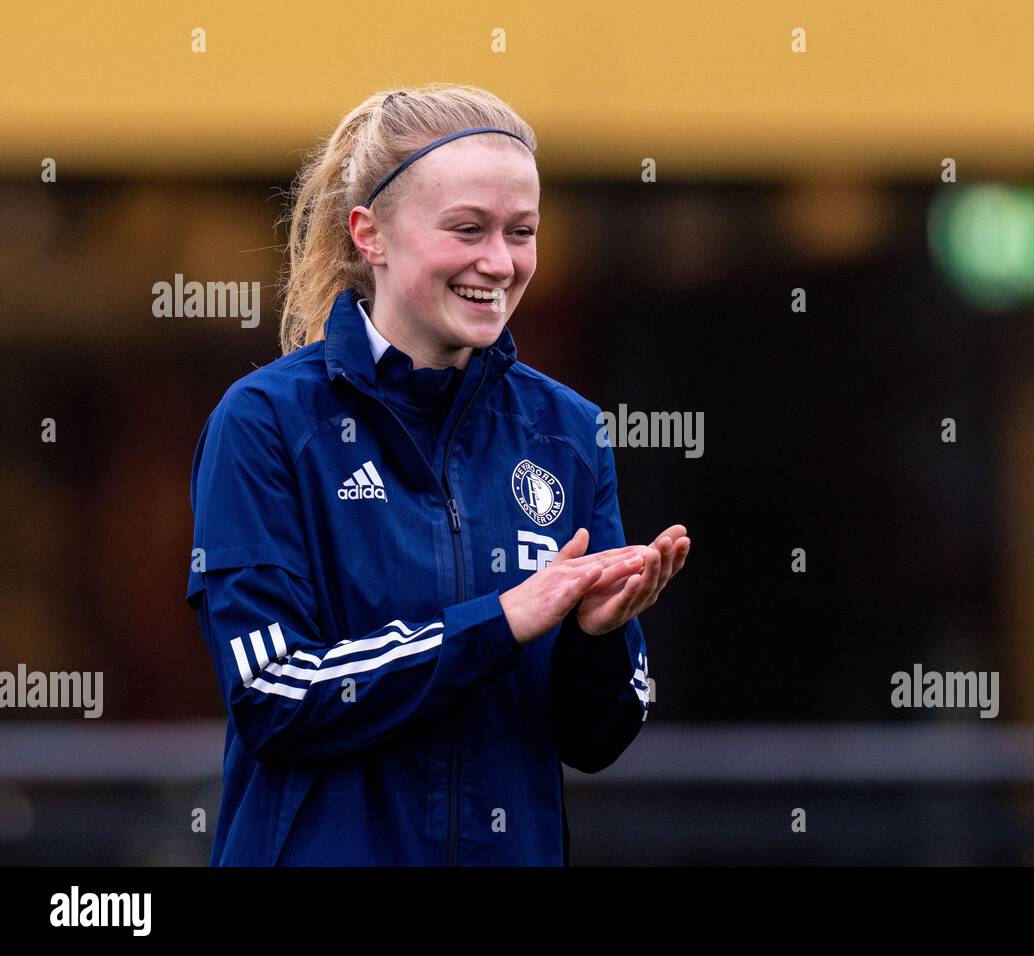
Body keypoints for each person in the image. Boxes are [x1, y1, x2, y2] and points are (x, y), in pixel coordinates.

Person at [186, 83, 690, 866]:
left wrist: (600, 638)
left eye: (522, 232)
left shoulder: (567, 433)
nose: (501, 262)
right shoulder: (266, 423)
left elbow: (596, 742)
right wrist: (502, 622)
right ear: (371, 235)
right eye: (467, 229)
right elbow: (275, 697)